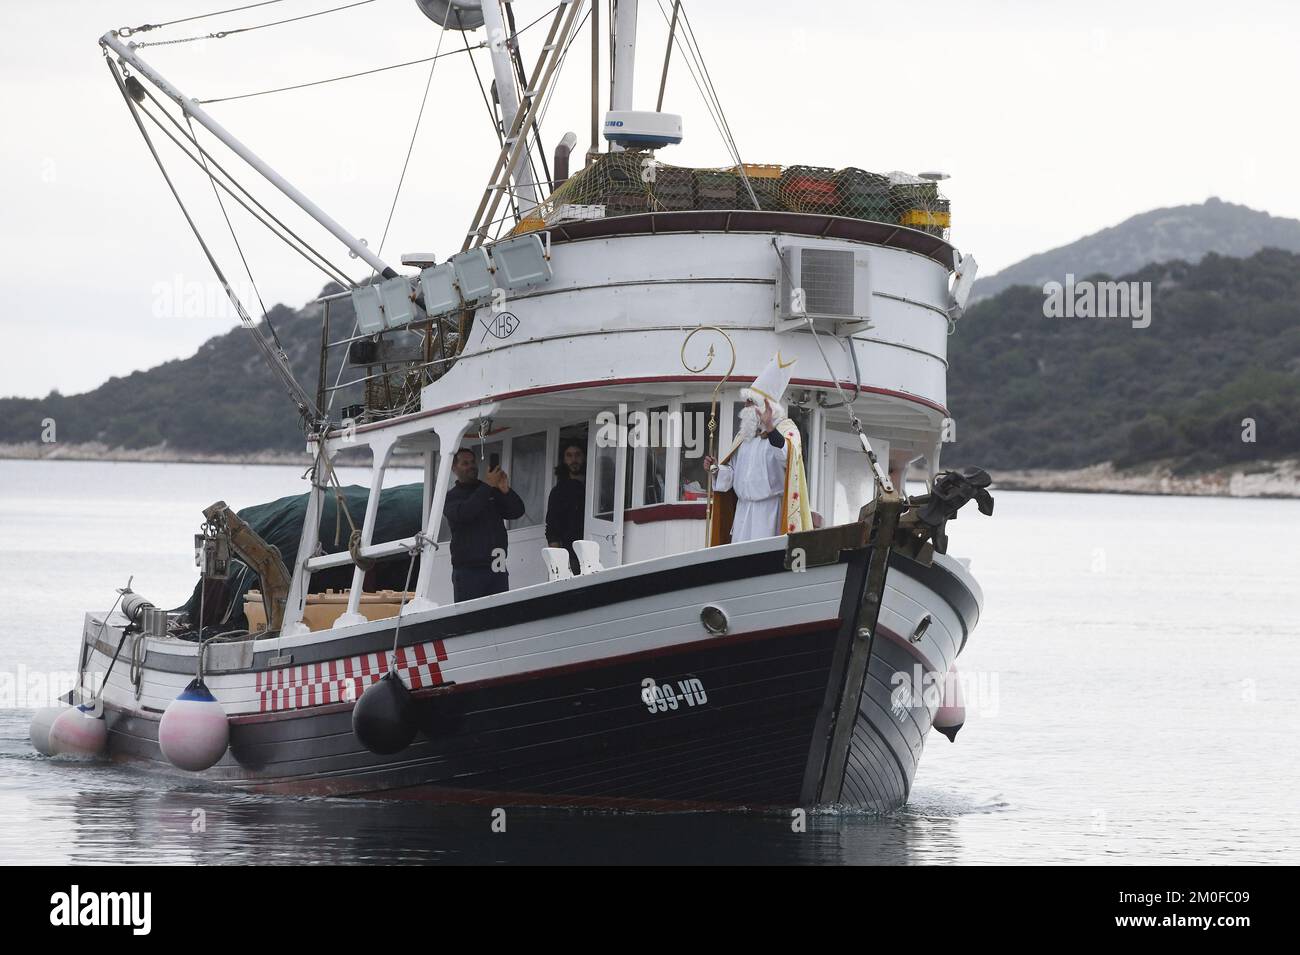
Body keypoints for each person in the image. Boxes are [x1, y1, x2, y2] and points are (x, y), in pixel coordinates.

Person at [704, 352, 813, 544]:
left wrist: (770, 429)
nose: (745, 406)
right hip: (743, 511)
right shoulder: (744, 435)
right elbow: (734, 473)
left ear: (765, 408)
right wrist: (716, 470)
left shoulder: (787, 430)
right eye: (746, 401)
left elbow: (788, 457)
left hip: (769, 513)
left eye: (750, 402)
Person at [443, 448, 525, 601]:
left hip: (497, 564)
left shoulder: (490, 490)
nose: (471, 466)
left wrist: (505, 490)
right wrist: (487, 486)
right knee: (470, 620)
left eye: (473, 462)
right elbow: (465, 513)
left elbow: (517, 512)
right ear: (454, 468)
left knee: (500, 618)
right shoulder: (451, 497)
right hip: (469, 570)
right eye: (465, 463)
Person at [545, 439, 586, 573]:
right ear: (563, 460)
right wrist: (559, 561)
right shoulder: (559, 491)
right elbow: (552, 528)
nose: (574, 460)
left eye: (578, 455)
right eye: (569, 455)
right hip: (572, 555)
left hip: (600, 544)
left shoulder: (596, 485)